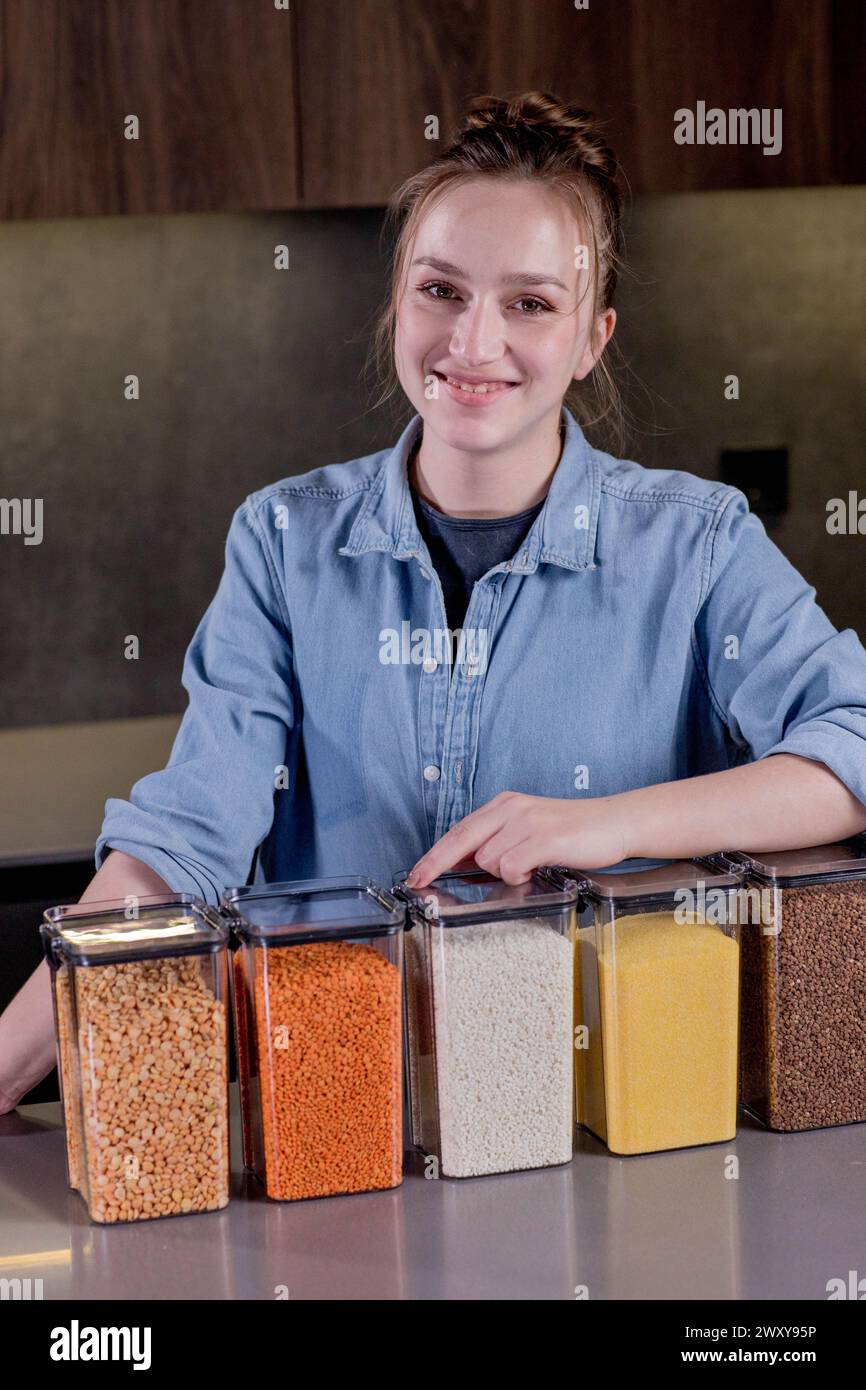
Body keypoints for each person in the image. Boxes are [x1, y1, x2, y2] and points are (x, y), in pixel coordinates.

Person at [2, 90, 866, 1114]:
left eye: (530, 303)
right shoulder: (284, 544)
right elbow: (186, 837)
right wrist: (10, 1053)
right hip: (336, 1120)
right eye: (441, 290)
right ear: (396, 306)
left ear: (592, 336)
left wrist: (599, 823)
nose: (472, 341)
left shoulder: (697, 546)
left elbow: (850, 747)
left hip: (611, 1121)